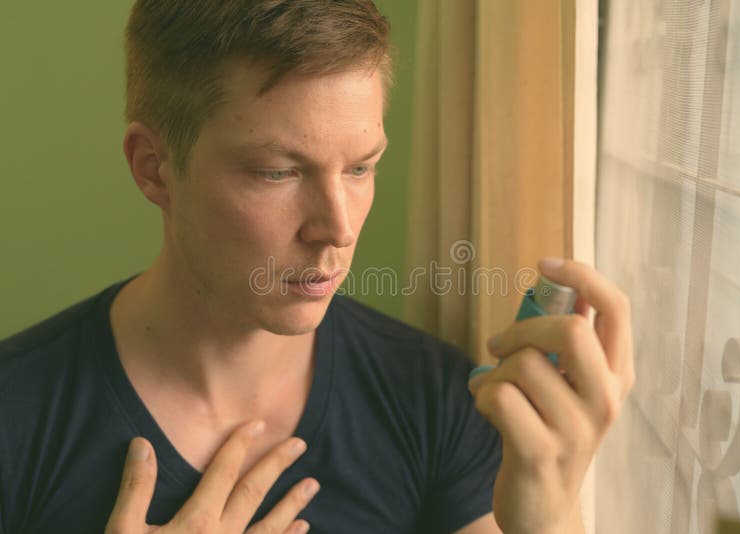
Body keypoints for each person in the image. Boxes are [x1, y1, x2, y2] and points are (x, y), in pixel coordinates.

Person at [0, 1, 635, 533]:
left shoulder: (441, 403)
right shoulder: (16, 415)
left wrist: (547, 522)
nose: (339, 227)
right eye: (278, 172)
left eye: (360, 168)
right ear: (153, 167)